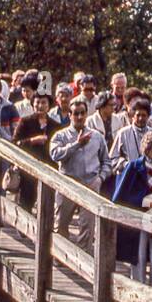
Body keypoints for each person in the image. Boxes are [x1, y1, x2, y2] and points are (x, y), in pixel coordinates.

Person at [113, 131, 152, 289]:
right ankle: (138, 291)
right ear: (148, 148)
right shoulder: (134, 166)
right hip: (138, 218)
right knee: (137, 257)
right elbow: (121, 193)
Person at [50, 99, 110, 248]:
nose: (79, 117)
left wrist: (100, 179)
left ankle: (83, 263)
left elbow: (107, 162)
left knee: (87, 228)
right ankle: (60, 258)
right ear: (70, 115)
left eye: (82, 113)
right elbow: (55, 154)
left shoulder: (97, 136)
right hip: (68, 183)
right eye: (76, 113)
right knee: (61, 224)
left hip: (90, 183)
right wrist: (77, 144)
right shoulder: (60, 136)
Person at [13, 91, 62, 209]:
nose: (40, 106)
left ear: (49, 105)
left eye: (43, 102)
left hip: (49, 168)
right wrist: (32, 141)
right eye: (37, 102)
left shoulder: (55, 125)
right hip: (29, 167)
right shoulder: (25, 121)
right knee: (26, 202)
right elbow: (15, 143)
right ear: (33, 104)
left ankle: (45, 227)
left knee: (47, 204)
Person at [108, 96, 152, 175]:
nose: (140, 118)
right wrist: (126, 165)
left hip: (149, 177)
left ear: (148, 116)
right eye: (138, 115)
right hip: (128, 176)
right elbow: (112, 159)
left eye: (144, 115)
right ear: (133, 116)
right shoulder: (123, 133)